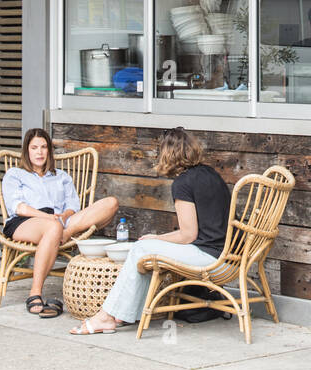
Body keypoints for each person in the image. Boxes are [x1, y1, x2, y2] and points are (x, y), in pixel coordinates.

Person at [71, 128, 231, 334]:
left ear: (167, 154)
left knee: (141, 248)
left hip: (211, 259)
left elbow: (188, 234)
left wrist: (156, 238)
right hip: (228, 257)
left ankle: (107, 317)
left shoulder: (183, 182)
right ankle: (122, 314)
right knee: (145, 249)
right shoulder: (211, 173)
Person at [2, 128, 119, 317]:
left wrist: (64, 216)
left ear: (49, 150)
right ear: (27, 151)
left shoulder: (61, 176)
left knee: (111, 203)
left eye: (43, 147)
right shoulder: (15, 174)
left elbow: (73, 205)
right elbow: (18, 207)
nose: (39, 152)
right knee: (53, 226)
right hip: (27, 221)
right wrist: (48, 218)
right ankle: (35, 292)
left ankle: (63, 234)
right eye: (34, 148)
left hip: (62, 221)